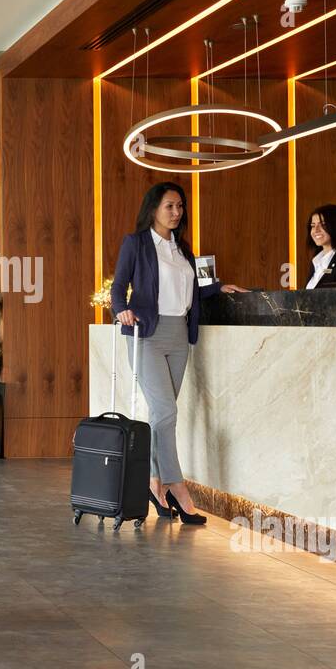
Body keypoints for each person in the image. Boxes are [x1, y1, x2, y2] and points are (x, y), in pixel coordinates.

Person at [110, 182, 247, 525]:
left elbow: (190, 288)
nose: (176, 212)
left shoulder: (182, 249)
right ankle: (177, 486)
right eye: (170, 206)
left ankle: (155, 483)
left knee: (162, 417)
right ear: (153, 208)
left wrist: (218, 287)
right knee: (166, 409)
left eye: (180, 207)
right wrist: (120, 309)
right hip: (147, 334)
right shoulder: (137, 244)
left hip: (179, 335)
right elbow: (117, 285)